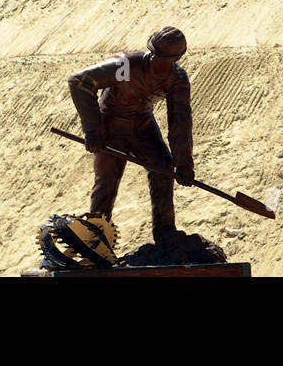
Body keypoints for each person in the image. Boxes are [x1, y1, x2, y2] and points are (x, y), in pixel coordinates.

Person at [67, 26, 194, 242]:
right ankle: (97, 238)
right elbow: (80, 81)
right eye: (157, 56)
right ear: (150, 52)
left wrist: (183, 164)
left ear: (178, 58)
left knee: (163, 166)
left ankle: (165, 233)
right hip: (111, 124)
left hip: (143, 126)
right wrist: (93, 129)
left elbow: (180, 121)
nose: (159, 64)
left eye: (166, 59)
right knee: (107, 179)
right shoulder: (126, 65)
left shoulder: (177, 80)